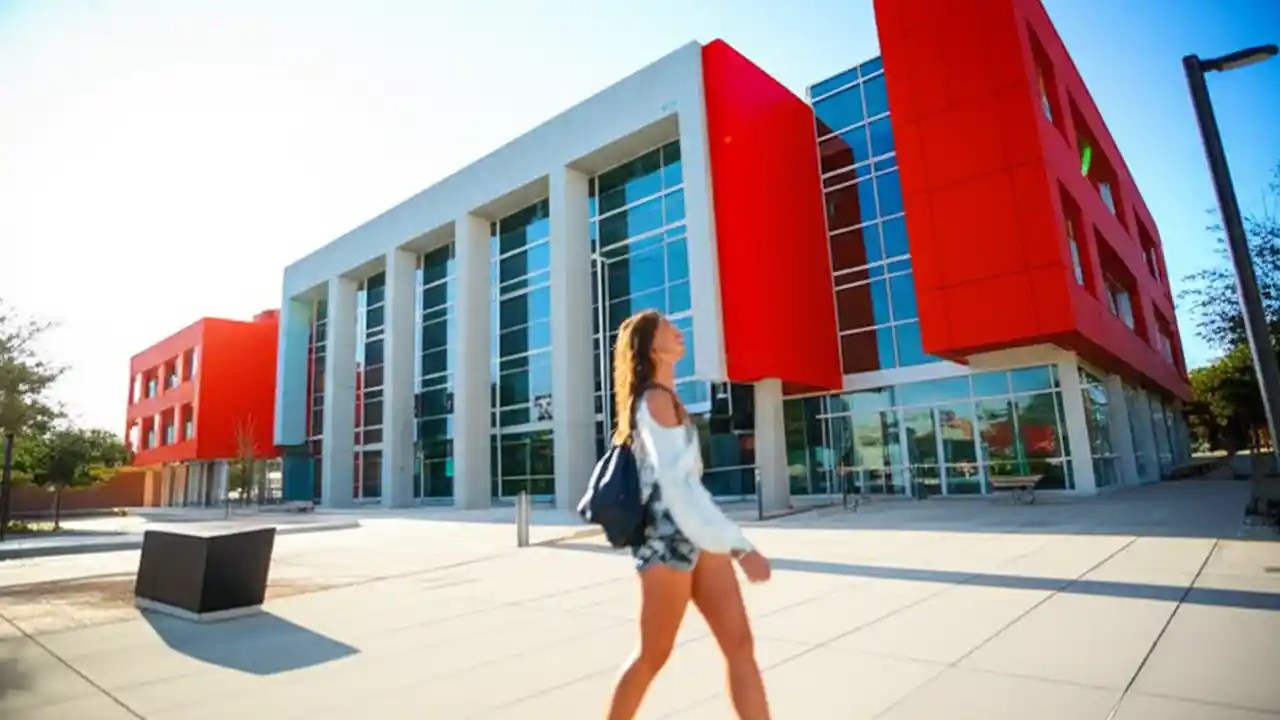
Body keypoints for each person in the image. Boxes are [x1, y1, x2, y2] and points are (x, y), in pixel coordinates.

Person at [606, 309, 773, 720]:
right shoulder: (654, 401)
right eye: (668, 328)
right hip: (665, 543)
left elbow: (690, 489)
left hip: (699, 539)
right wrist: (739, 545)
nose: (679, 332)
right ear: (650, 346)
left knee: (740, 646)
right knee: (652, 656)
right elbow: (679, 493)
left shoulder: (669, 400)